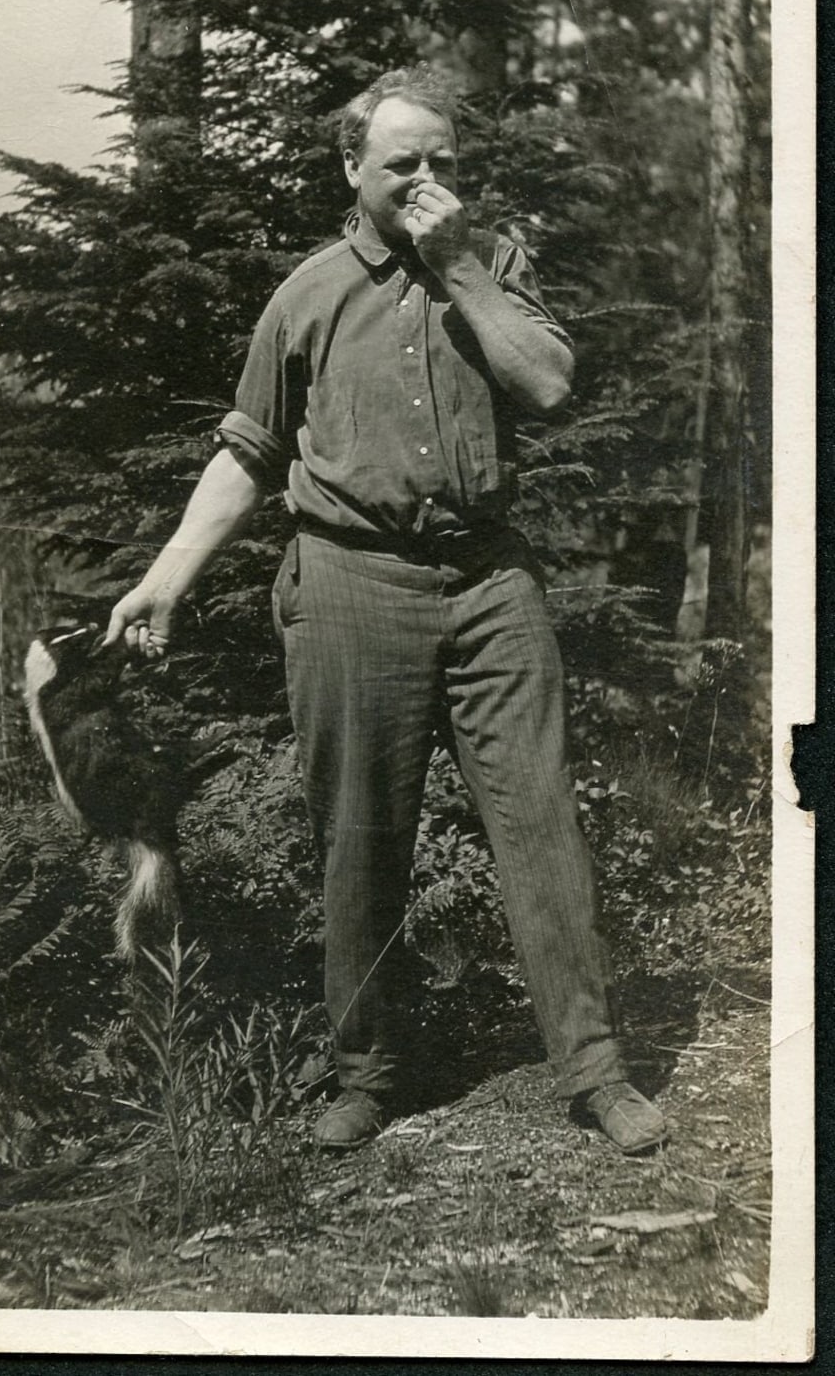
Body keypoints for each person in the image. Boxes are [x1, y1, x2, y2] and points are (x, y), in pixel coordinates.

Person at [103, 65, 668, 1157]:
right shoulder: (306, 295)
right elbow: (249, 452)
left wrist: (458, 266)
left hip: (492, 583)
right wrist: (167, 574)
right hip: (350, 583)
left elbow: (548, 384)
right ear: (351, 167)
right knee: (359, 838)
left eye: (444, 163)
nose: (425, 180)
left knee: (543, 824)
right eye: (402, 162)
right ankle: (365, 1075)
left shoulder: (494, 266)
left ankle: (598, 1075)